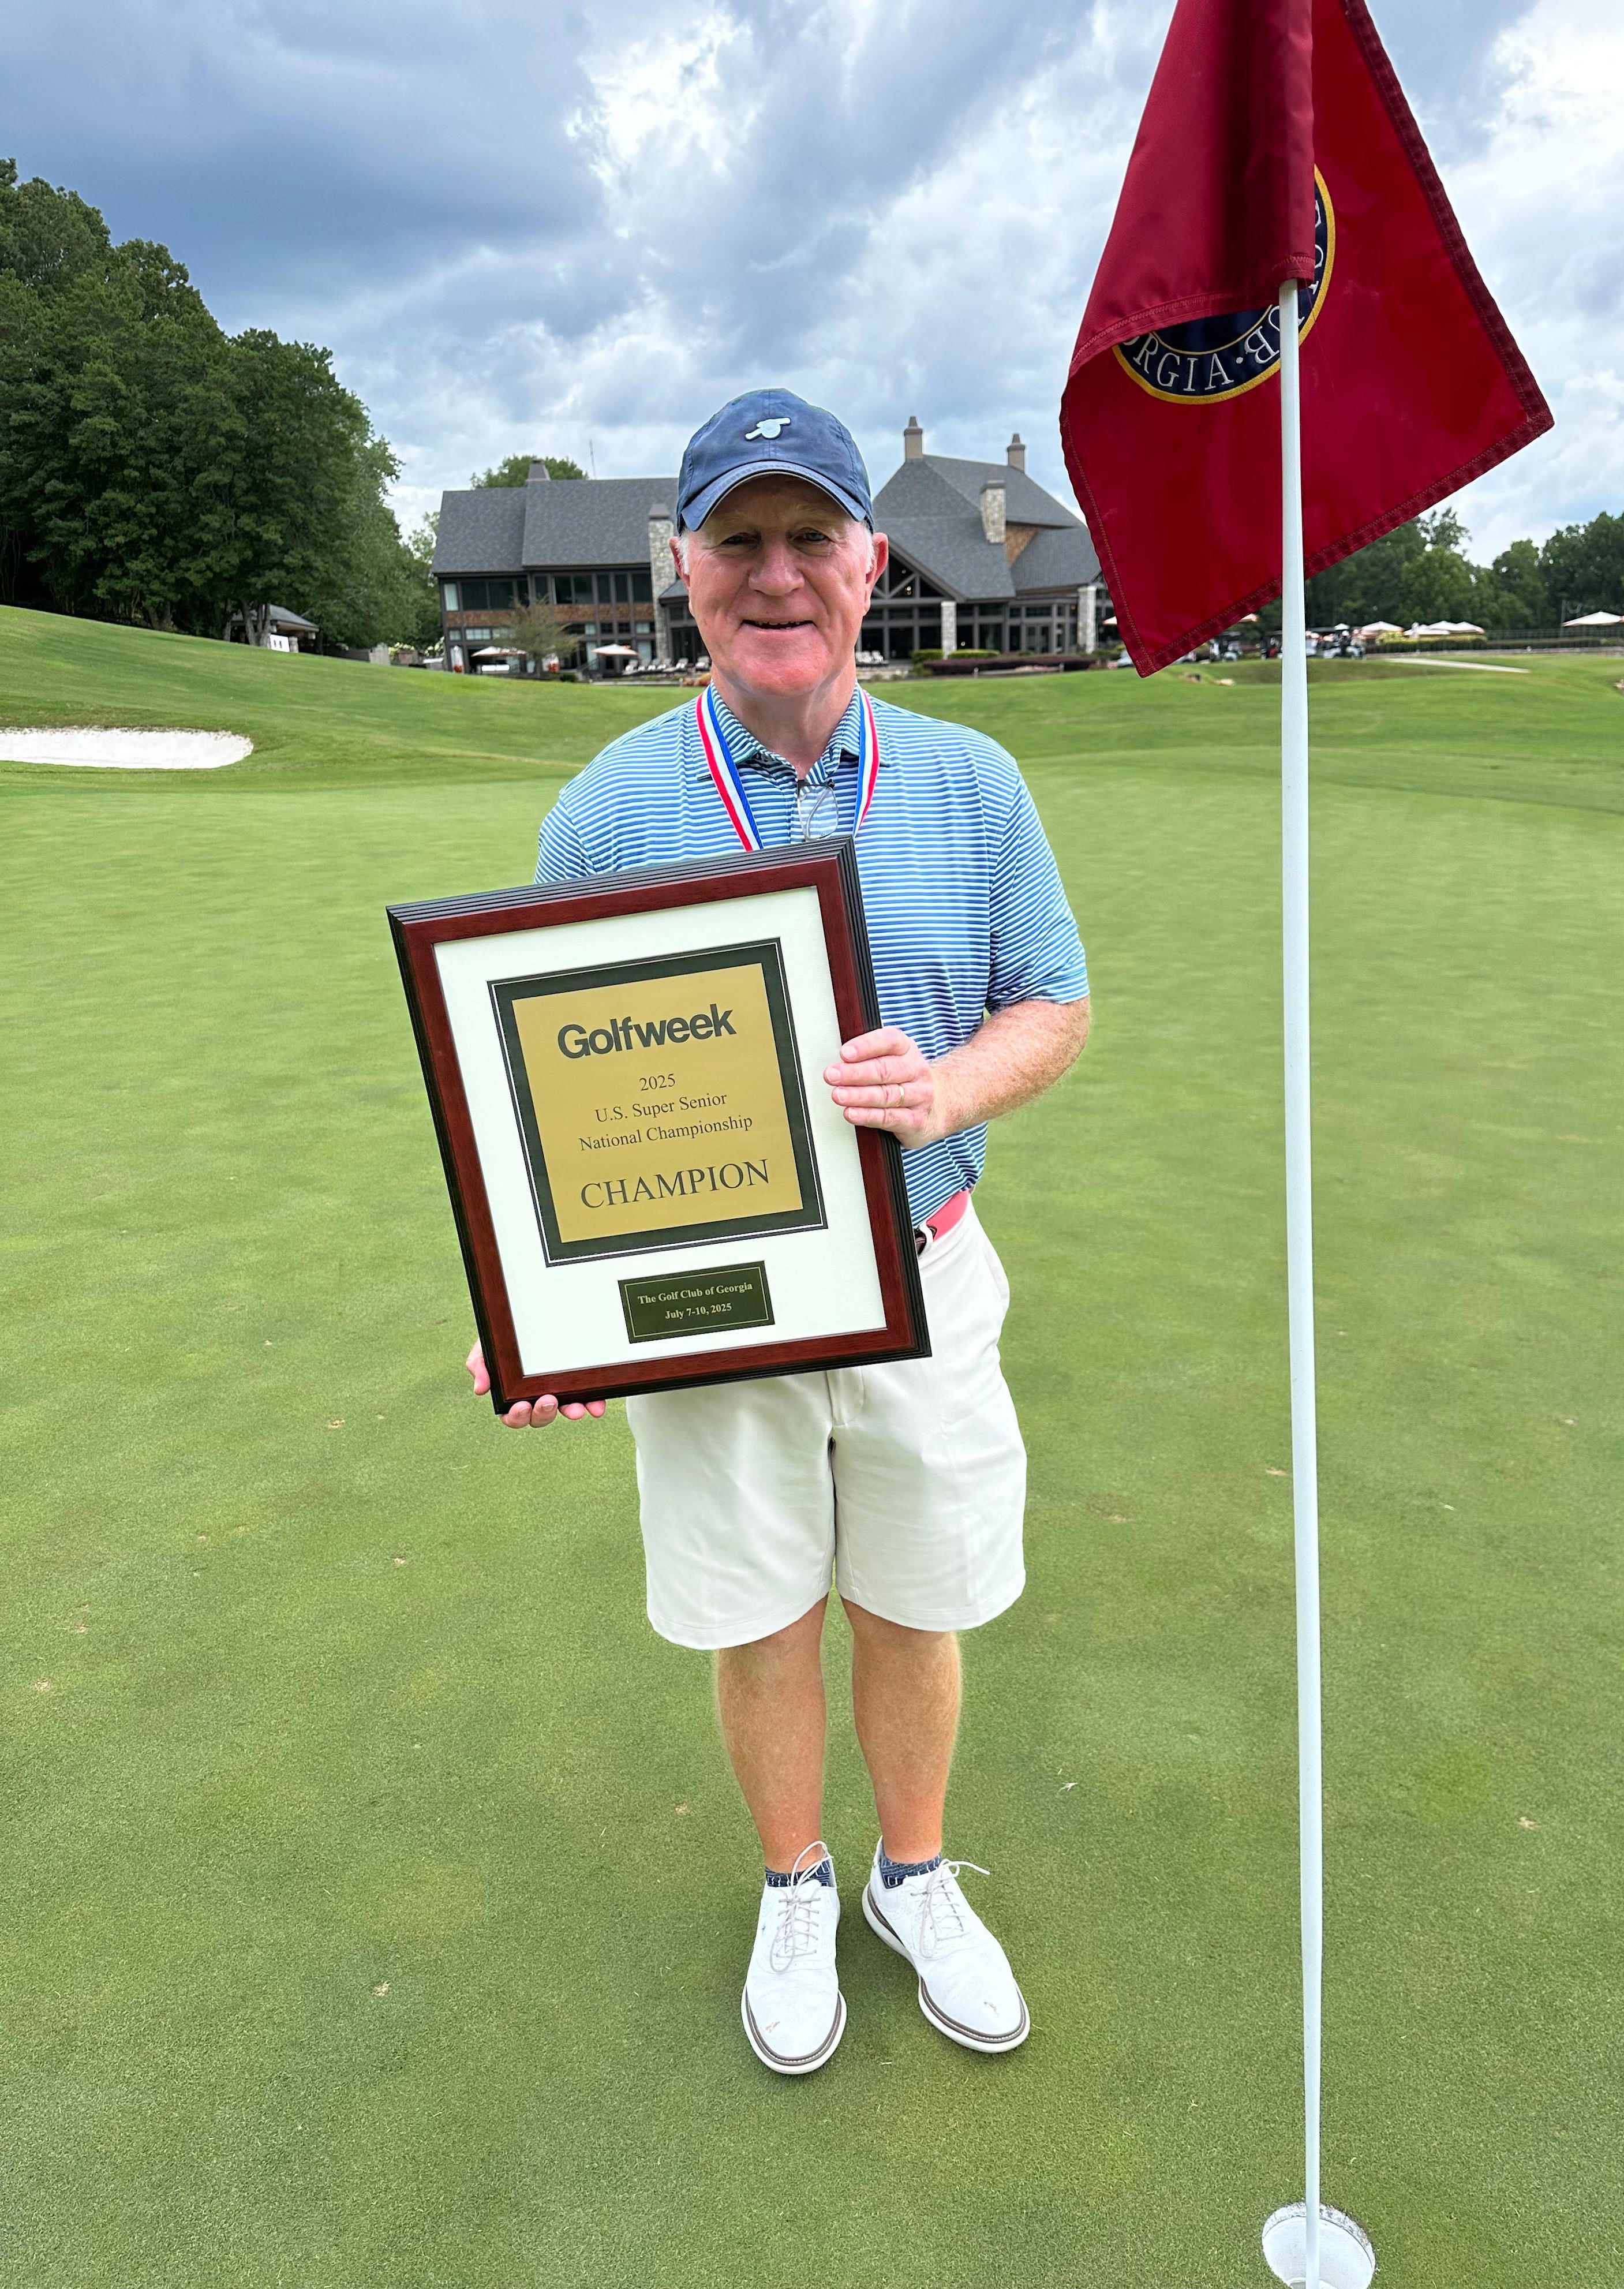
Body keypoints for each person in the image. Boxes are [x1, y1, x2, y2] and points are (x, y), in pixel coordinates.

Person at [466, 390, 1090, 2075]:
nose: (776, 573)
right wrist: (537, 1308)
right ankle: (798, 1882)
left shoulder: (971, 783)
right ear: (684, 569)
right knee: (759, 1612)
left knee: (914, 1600)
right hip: (710, 1299)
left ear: (870, 560)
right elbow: (546, 1085)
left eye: (809, 535)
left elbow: (1055, 1002)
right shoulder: (607, 813)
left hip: (927, 1271)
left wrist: (946, 1093)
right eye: (737, 541)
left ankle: (910, 1872)